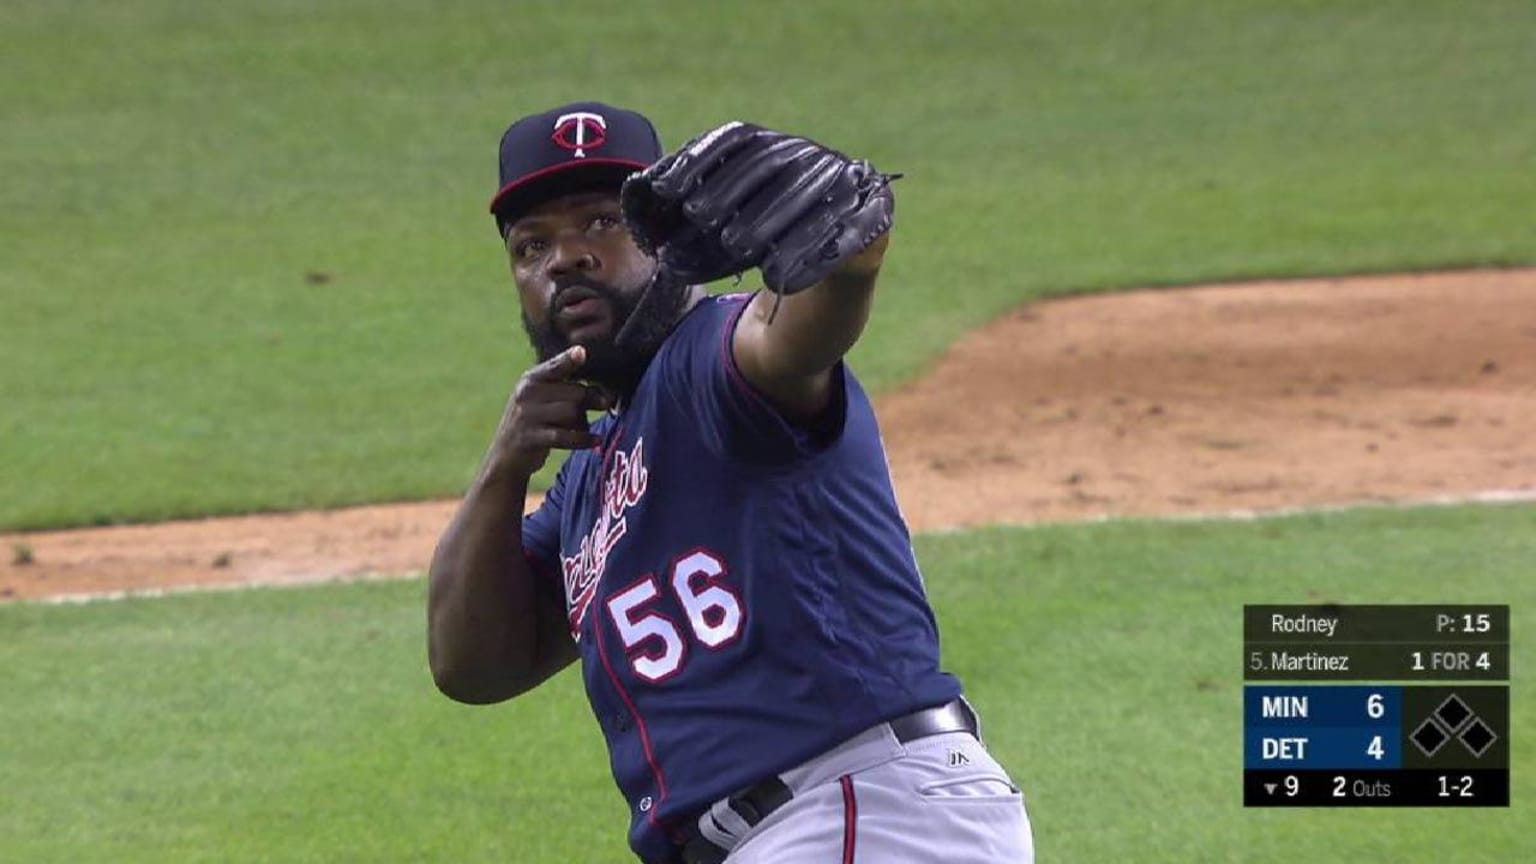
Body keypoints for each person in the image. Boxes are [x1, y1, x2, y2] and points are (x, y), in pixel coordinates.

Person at [427, 100, 1034, 864]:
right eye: (531, 245)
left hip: (855, 812)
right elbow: (471, 665)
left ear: (670, 237)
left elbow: (797, 335)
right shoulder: (585, 481)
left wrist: (852, 254)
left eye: (603, 223)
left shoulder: (716, 361)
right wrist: (505, 462)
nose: (566, 258)